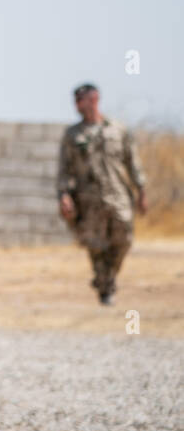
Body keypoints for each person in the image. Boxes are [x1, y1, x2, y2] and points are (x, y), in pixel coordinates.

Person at [58, 83, 147, 305]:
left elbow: (132, 162)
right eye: (76, 101)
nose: (78, 105)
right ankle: (106, 290)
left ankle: (106, 277)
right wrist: (64, 195)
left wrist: (141, 190)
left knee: (124, 239)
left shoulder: (118, 130)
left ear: (95, 99)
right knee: (96, 245)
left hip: (118, 196)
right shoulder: (72, 135)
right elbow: (64, 169)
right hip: (88, 199)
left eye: (82, 100)